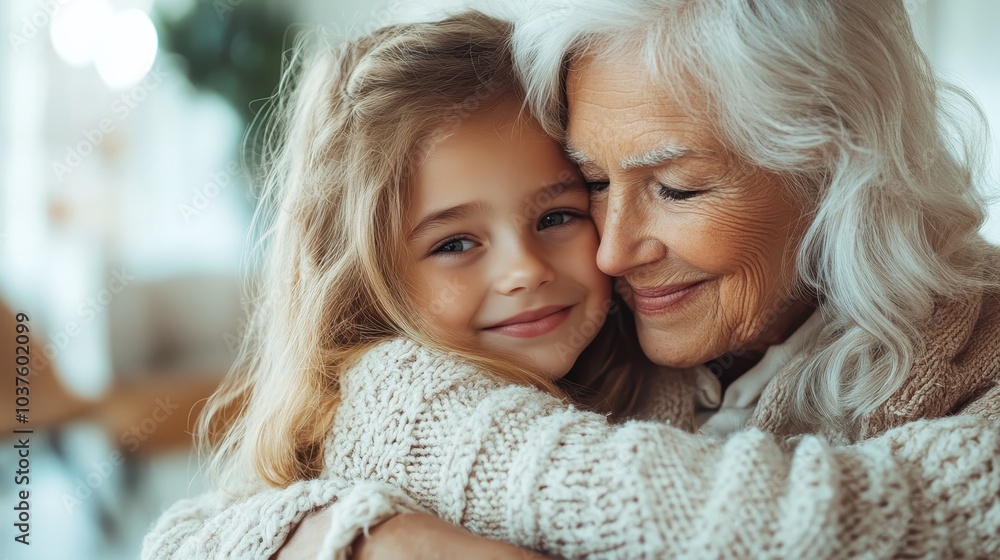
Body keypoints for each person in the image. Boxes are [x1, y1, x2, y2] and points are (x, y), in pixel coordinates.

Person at [146, 1, 1000, 558]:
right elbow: (185, 539)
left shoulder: (973, 358)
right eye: (593, 184)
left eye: (675, 187)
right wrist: (347, 537)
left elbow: (912, 517)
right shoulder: (587, 350)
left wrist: (396, 426)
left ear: (840, 172)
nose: (611, 251)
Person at [142, 11, 696, 560]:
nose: (525, 270)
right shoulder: (400, 400)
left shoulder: (640, 356)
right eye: (454, 244)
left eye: (556, 217)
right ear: (362, 281)